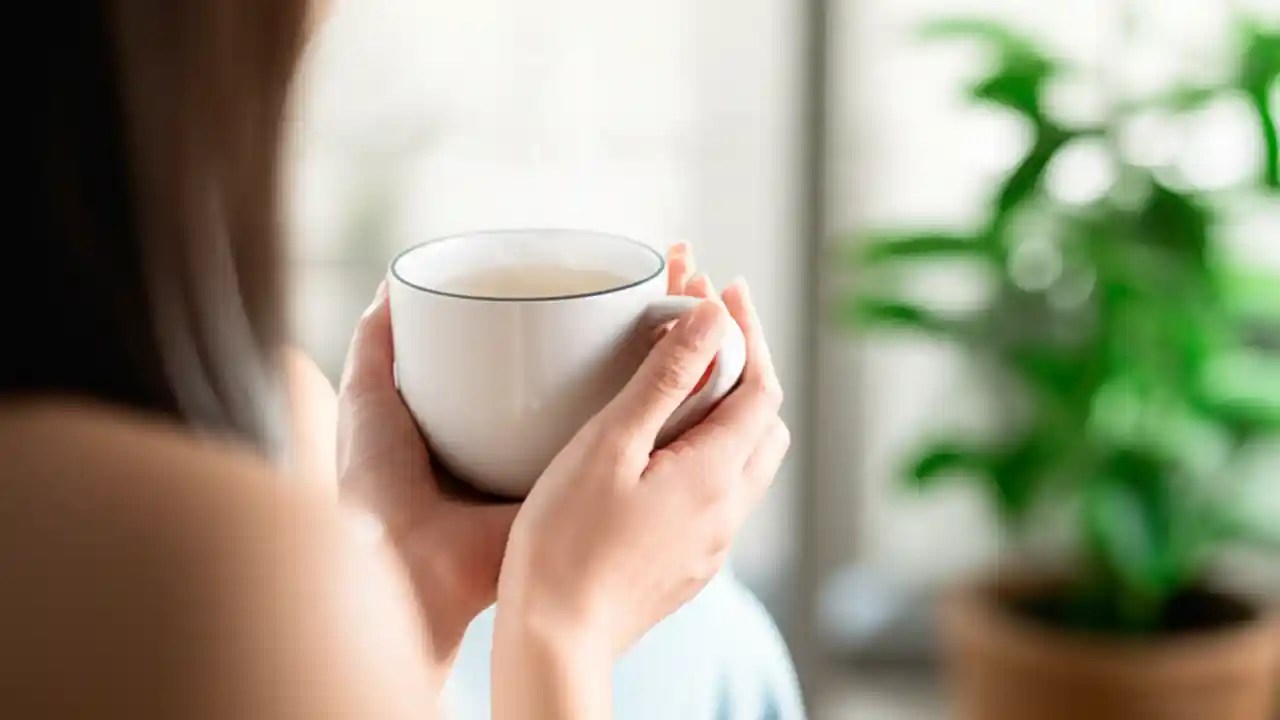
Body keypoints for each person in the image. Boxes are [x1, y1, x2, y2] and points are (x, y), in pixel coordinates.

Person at [2, 3, 793, 720]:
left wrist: (420, 588)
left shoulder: (271, 439)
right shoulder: (219, 562)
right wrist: (560, 634)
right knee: (716, 645)